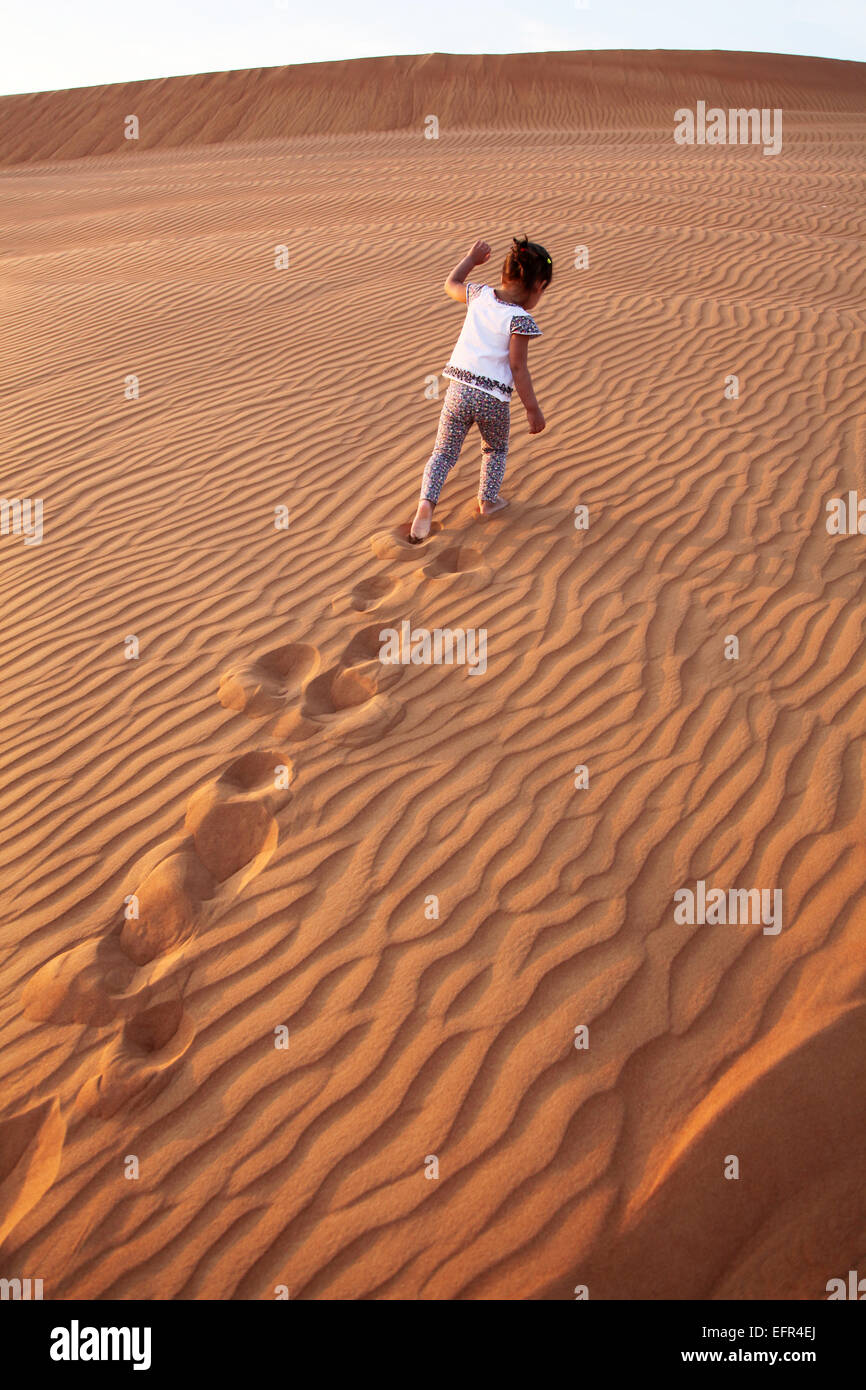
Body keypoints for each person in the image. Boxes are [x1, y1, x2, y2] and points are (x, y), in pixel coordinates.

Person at [409, 235, 551, 543]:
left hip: (459, 390)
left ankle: (425, 506)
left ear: (503, 274)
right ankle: (487, 501)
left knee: (443, 453)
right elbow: (517, 368)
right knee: (495, 449)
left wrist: (471, 261)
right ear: (538, 287)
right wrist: (532, 409)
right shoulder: (520, 319)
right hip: (493, 399)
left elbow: (451, 283)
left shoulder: (478, 295)